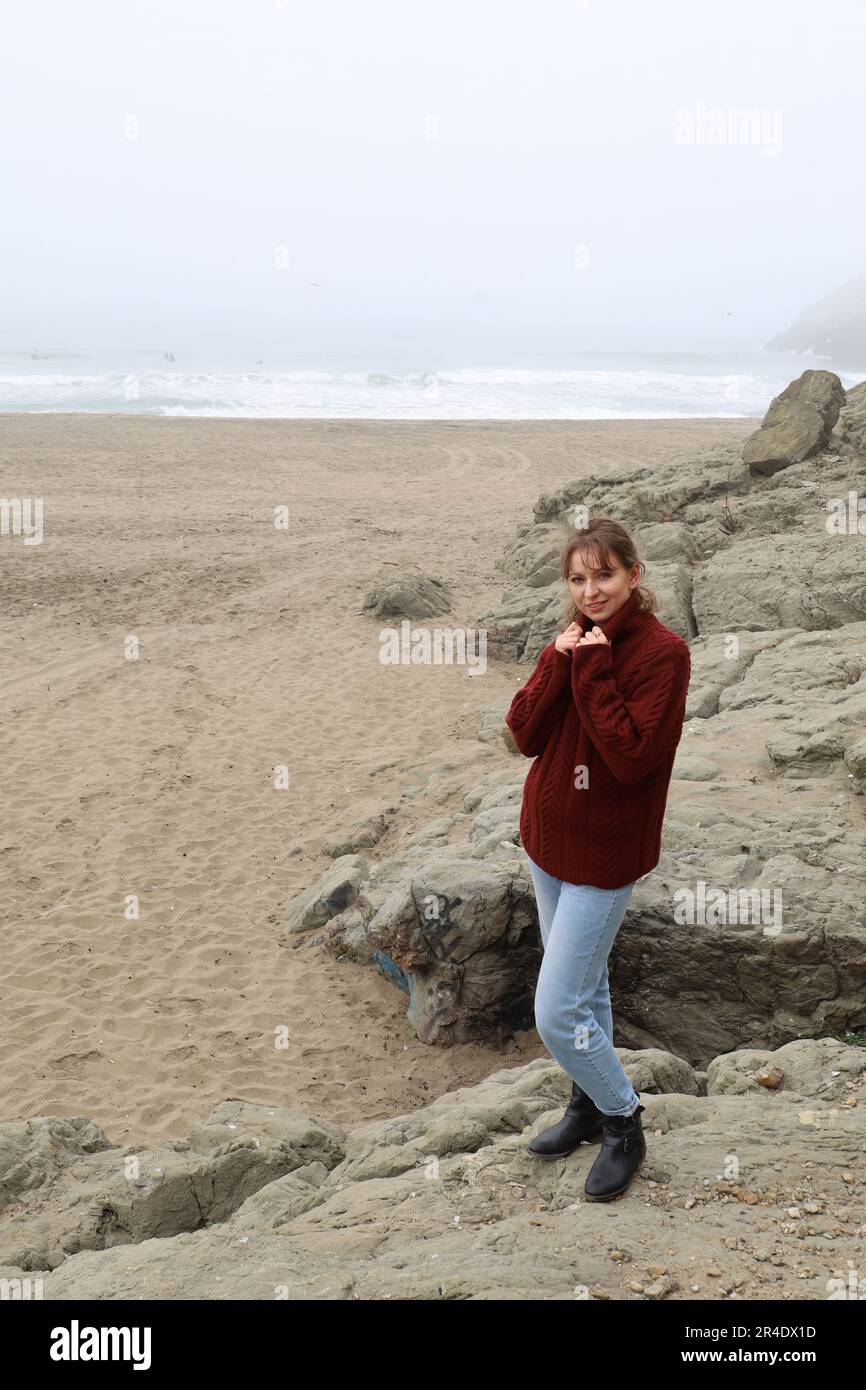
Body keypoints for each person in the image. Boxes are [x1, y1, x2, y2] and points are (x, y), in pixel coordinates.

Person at [505, 517, 691, 1201]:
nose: (591, 590)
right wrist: (559, 660)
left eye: (604, 575)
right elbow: (524, 732)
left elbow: (631, 756)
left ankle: (623, 1118)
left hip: (604, 859)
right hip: (546, 843)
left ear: (633, 574)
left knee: (556, 1011)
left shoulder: (661, 654)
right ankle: (586, 1107)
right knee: (590, 993)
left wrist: (591, 667)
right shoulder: (573, 641)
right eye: (579, 579)